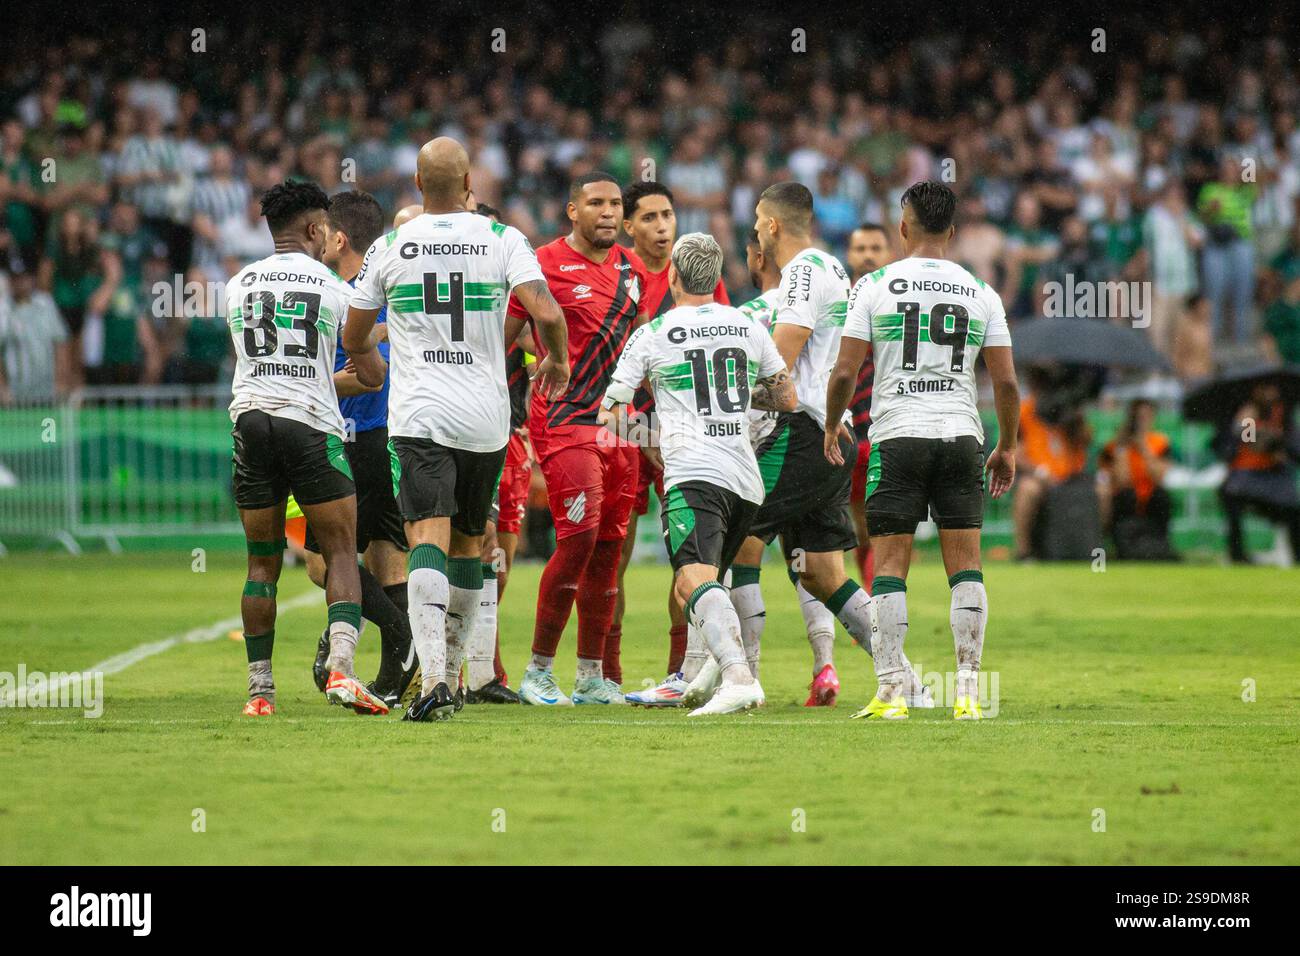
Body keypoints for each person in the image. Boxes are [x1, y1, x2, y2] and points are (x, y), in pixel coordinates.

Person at [344, 137, 569, 722]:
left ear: (417, 184)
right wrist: (557, 359)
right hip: (486, 418)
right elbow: (546, 311)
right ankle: (457, 671)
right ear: (471, 183)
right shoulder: (503, 238)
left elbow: (355, 328)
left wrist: (367, 359)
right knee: (472, 541)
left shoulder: (391, 245)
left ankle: (434, 683)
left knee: (426, 537)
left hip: (420, 414)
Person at [825, 180, 1020, 721]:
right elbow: (1005, 384)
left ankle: (891, 691)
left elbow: (845, 370)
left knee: (889, 564)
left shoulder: (875, 286)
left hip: (897, 436)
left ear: (902, 227)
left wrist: (828, 423)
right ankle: (967, 692)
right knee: (967, 567)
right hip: (961, 436)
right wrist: (1007, 446)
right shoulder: (981, 291)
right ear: (953, 232)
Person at [684, 182, 877, 711]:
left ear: (770, 227)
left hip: (803, 434)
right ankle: (905, 676)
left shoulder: (802, 273)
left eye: (756, 224)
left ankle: (726, 678)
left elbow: (779, 367)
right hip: (831, 436)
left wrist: (720, 399)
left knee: (716, 545)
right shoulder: (830, 267)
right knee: (819, 569)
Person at [601, 233, 796, 714]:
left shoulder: (653, 333)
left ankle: (738, 677)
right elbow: (786, 398)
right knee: (708, 579)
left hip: (694, 471)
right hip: (745, 478)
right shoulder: (747, 325)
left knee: (691, 581)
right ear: (716, 276)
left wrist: (656, 437)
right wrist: (732, 406)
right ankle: (699, 677)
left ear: (671, 276)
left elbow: (610, 414)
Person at [226, 180, 385, 718]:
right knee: (341, 550)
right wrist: (372, 362)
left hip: (250, 422)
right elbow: (365, 370)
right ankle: (342, 669)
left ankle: (260, 692)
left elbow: (262, 366)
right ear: (317, 230)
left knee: (262, 562)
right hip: (310, 426)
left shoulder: (238, 283)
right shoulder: (336, 289)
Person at [505, 172, 645, 706]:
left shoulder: (631, 270)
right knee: (579, 538)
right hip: (565, 419)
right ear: (572, 210)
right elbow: (509, 334)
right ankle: (538, 672)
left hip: (620, 424)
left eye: (614, 204)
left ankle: (590, 676)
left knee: (609, 549)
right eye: (596, 203)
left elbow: (641, 347)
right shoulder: (542, 263)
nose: (608, 212)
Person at [298, 190, 416, 710]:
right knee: (387, 559)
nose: (317, 240)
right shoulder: (367, 288)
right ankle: (396, 671)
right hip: (379, 437)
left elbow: (373, 375)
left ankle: (402, 641)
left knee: (325, 563)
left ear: (339, 238)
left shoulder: (359, 294)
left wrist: (301, 381)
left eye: (323, 231)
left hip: (365, 438)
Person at [612, 180, 729, 696]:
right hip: (627, 433)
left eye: (668, 215)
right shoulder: (616, 276)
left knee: (694, 560)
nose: (662, 227)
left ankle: (684, 670)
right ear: (629, 226)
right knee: (612, 555)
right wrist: (640, 431)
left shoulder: (702, 281)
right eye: (651, 218)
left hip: (688, 441)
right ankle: (606, 674)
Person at [843, 222, 893, 587]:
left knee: (883, 529)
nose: (869, 255)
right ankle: (876, 605)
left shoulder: (900, 303)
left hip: (889, 431)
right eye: (861, 248)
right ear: (849, 255)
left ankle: (880, 606)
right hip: (847, 433)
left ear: (889, 253)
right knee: (861, 529)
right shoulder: (837, 305)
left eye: (876, 247)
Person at [1215, 383, 1300, 564]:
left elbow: (1294, 449)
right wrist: (1245, 425)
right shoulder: (1245, 414)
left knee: (1294, 509)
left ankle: (1296, 556)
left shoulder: (1283, 416)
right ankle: (1238, 556)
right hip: (1244, 477)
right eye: (1264, 389)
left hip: (1274, 478)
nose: (1269, 393)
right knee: (1230, 496)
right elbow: (1248, 445)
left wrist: (1281, 449)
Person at [1098, 399, 1177, 560]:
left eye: (1146, 417)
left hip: (1151, 498)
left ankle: (1160, 546)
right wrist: (1123, 449)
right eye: (1138, 418)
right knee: (1126, 496)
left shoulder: (1160, 442)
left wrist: (1143, 448)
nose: (1142, 422)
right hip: (1127, 500)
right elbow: (1121, 480)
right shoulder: (1114, 446)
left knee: (1161, 496)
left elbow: (1159, 476)